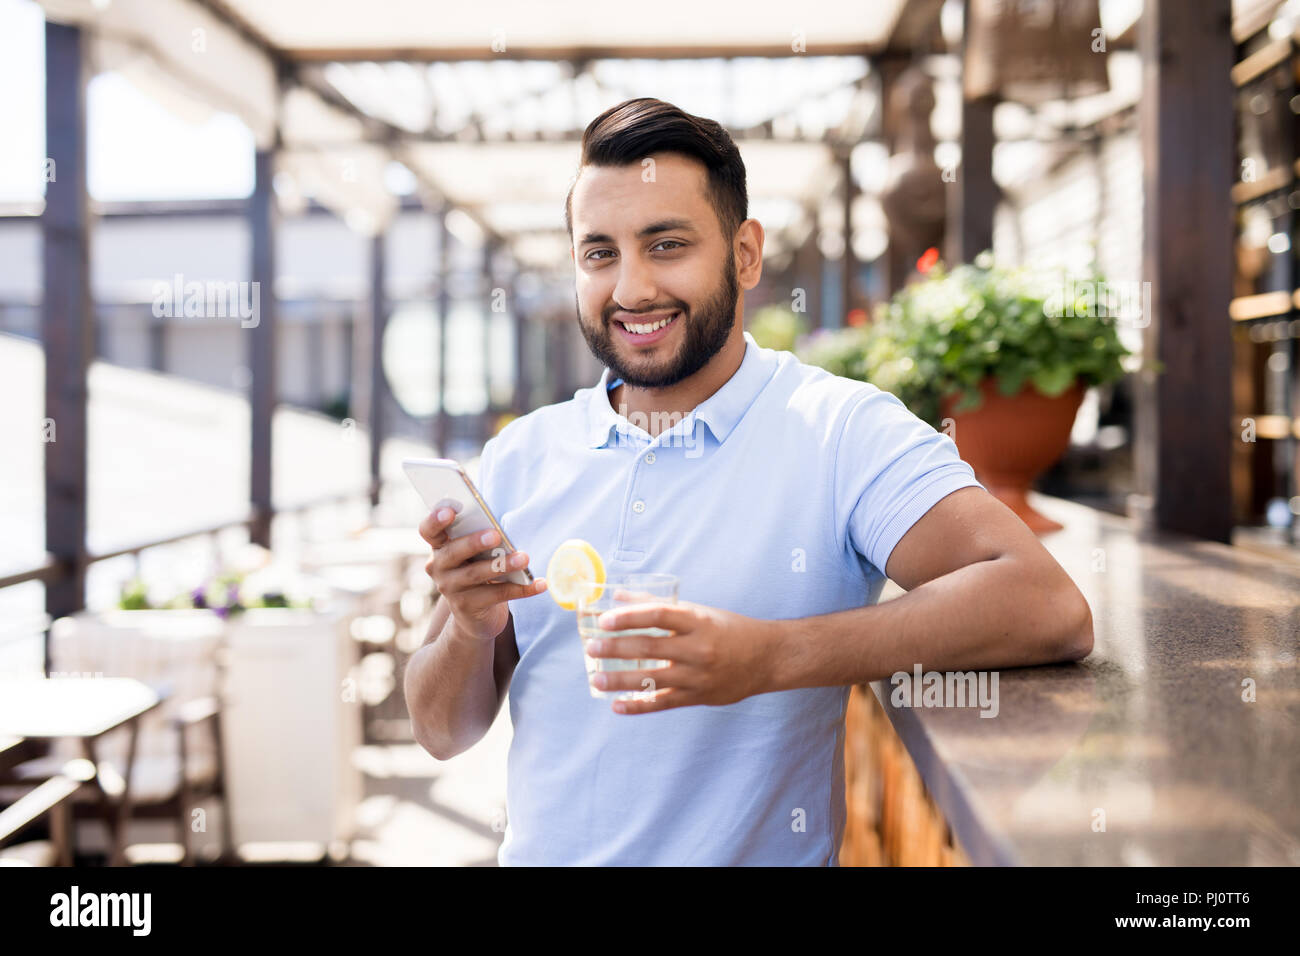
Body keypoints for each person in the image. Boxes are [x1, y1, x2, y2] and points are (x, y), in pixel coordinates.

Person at [406, 97, 1094, 866]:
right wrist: (470, 628)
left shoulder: (840, 430)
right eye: (599, 253)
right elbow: (440, 732)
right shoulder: (520, 458)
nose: (630, 289)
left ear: (744, 254)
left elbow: (1046, 606)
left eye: (665, 245)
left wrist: (768, 658)